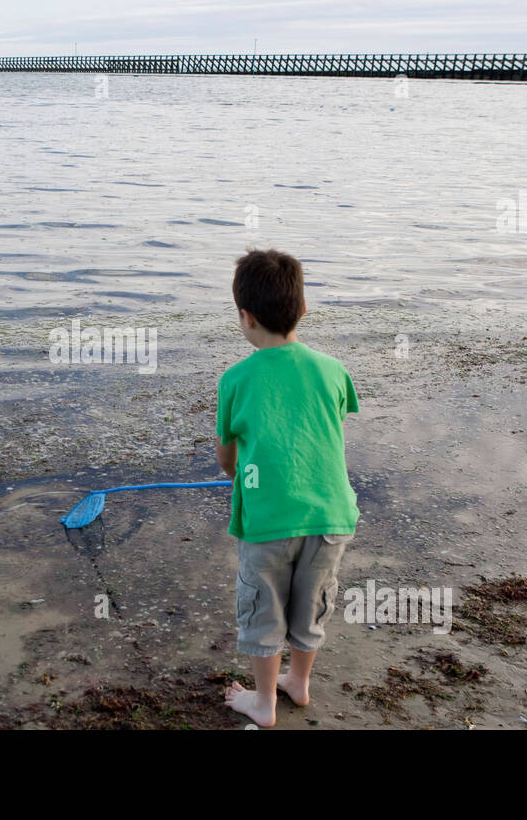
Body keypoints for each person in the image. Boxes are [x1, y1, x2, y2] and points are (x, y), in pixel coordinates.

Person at [215, 247, 361, 727]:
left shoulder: (235, 379)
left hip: (270, 519)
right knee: (310, 606)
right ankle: (298, 682)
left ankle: (264, 704)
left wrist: (241, 474)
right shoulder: (334, 370)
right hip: (331, 515)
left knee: (263, 611)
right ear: (302, 309)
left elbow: (226, 457)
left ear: (245, 317)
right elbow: (324, 429)